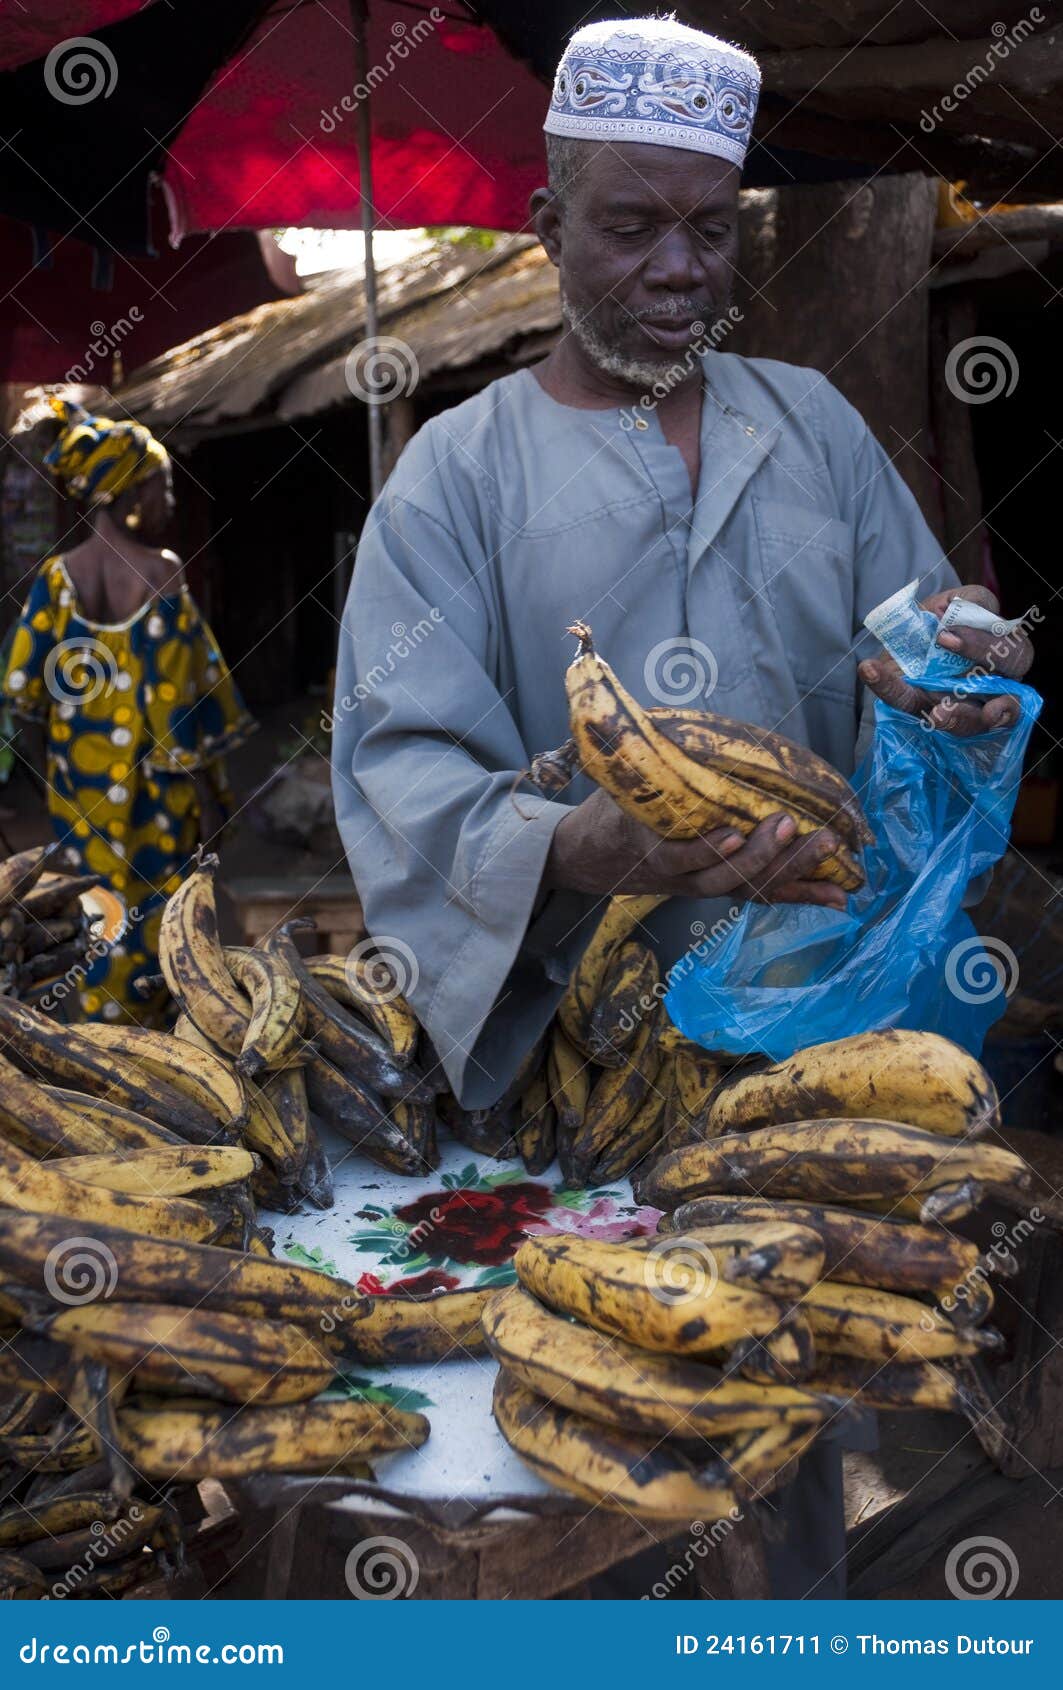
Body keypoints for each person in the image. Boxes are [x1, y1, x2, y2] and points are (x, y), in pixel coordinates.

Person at [331, 20, 1033, 1594]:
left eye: (706, 228)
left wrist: (963, 675)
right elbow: (397, 771)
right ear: (547, 224)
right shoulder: (453, 480)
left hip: (808, 1033)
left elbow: (910, 655)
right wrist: (591, 842)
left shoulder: (815, 429)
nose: (674, 266)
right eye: (628, 224)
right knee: (593, 1441)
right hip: (570, 1071)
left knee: (788, 1414)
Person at [2, 397, 255, 1022]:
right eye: (163, 486)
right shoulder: (164, 577)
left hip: (77, 789)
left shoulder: (56, 581)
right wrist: (213, 796)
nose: (170, 501)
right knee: (164, 929)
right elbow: (181, 703)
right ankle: (158, 1050)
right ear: (131, 494)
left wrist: (57, 776)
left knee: (92, 914)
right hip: (158, 797)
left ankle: (93, 1038)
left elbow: (22, 693)